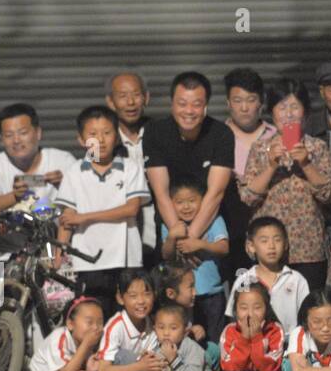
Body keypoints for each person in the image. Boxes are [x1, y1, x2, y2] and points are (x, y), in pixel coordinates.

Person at [238, 79, 331, 292]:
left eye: (295, 107)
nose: (289, 114)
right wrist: (271, 165)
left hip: (308, 248)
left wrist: (306, 163)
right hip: (268, 250)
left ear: (306, 112)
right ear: (272, 114)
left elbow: (329, 195)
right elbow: (247, 196)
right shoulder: (260, 148)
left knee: (309, 310)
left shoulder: (317, 147)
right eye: (282, 107)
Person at [55, 106, 151, 318]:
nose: (101, 140)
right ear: (81, 140)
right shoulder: (74, 173)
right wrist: (60, 252)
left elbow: (131, 208)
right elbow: (67, 219)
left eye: (107, 133)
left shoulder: (130, 168)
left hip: (126, 260)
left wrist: (85, 217)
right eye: (93, 134)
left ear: (116, 136)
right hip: (86, 261)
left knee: (127, 317)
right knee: (92, 318)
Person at [143, 71, 235, 276]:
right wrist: (178, 237)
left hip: (210, 228)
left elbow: (216, 193)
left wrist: (192, 239)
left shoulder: (221, 134)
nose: (189, 111)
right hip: (170, 230)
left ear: (206, 105)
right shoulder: (155, 132)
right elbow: (161, 192)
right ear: (172, 104)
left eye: (196, 104)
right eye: (182, 103)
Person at [94, 268, 163, 371]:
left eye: (146, 294)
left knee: (150, 369)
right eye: (133, 296)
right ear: (120, 298)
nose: (141, 301)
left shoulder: (153, 325)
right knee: (125, 356)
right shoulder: (115, 325)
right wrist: (138, 365)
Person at [160, 176, 228, 338]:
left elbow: (224, 247)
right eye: (180, 202)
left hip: (212, 293)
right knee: (190, 338)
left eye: (192, 200)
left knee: (214, 338)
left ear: (203, 201)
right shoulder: (170, 225)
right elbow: (167, 256)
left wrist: (201, 244)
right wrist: (171, 237)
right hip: (184, 298)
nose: (186, 207)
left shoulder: (214, 221)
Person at [223, 67, 274, 274]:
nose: (244, 108)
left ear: (261, 102)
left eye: (251, 100)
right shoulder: (218, 137)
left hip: (271, 233)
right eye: (237, 100)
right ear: (228, 103)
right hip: (231, 231)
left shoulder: (276, 136)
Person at [0, 104, 77, 211]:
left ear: (38, 133)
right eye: (9, 135)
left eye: (23, 133)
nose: (16, 140)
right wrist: (15, 196)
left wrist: (63, 185)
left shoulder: (63, 160)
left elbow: (85, 197)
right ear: (1, 139)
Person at [105, 72, 157, 266]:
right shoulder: (100, 137)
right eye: (123, 96)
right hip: (118, 228)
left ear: (146, 98)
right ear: (110, 102)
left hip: (158, 225)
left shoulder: (162, 131)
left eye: (136, 94)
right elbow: (89, 172)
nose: (130, 102)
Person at [227, 216, 311, 333]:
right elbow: (234, 316)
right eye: (264, 241)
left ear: (286, 244)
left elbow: (307, 315)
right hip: (254, 343)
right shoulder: (244, 280)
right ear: (251, 246)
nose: (271, 246)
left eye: (277, 240)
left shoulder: (296, 279)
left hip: (290, 344)